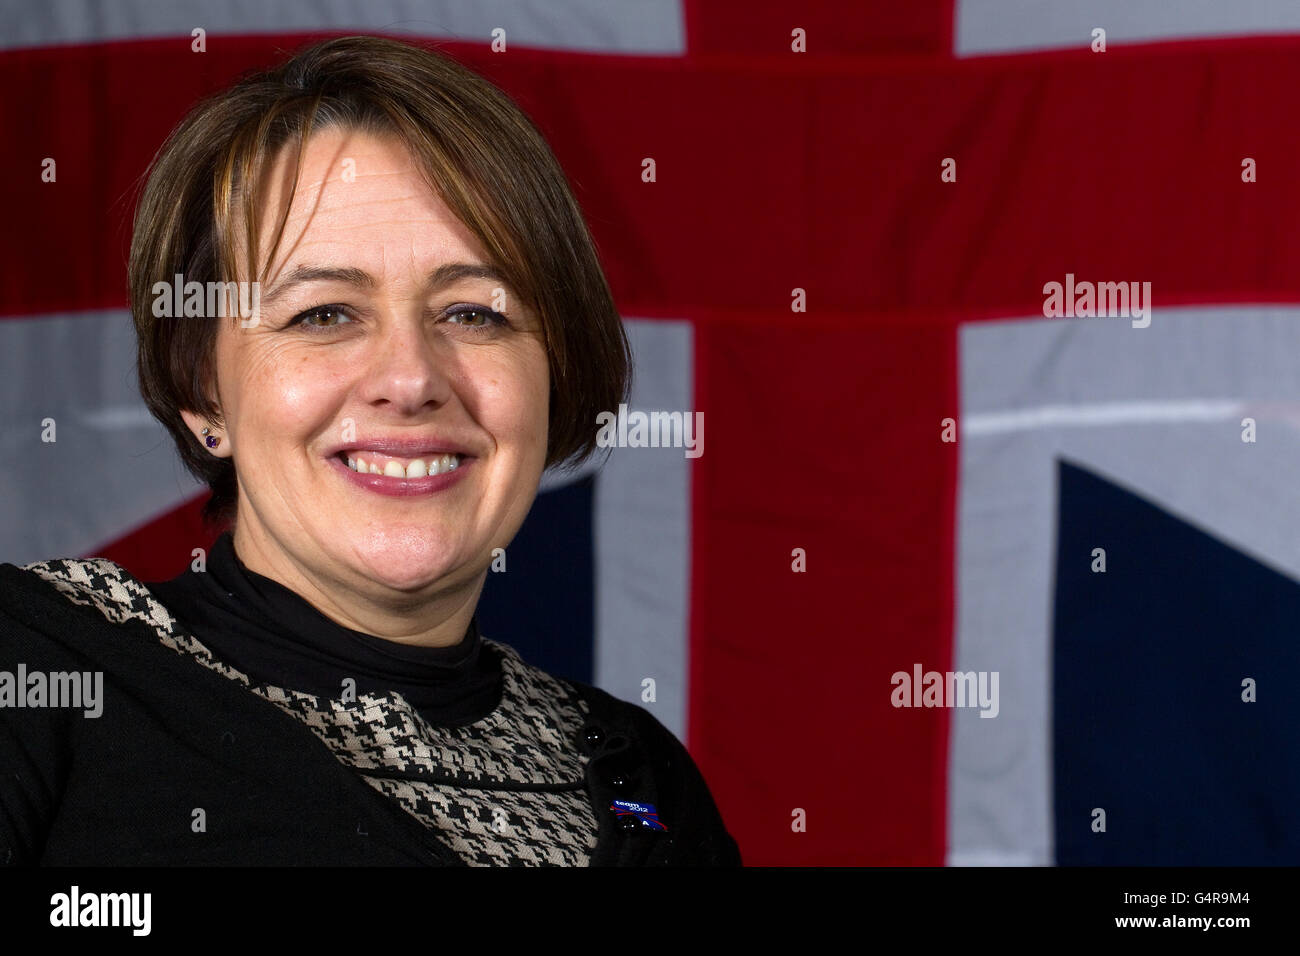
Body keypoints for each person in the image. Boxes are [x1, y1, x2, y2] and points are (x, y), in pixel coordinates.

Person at [0, 35, 740, 866]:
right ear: (204, 392)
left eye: (474, 313)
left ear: (553, 370)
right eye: (323, 313)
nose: (410, 378)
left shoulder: (640, 775)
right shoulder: (39, 666)